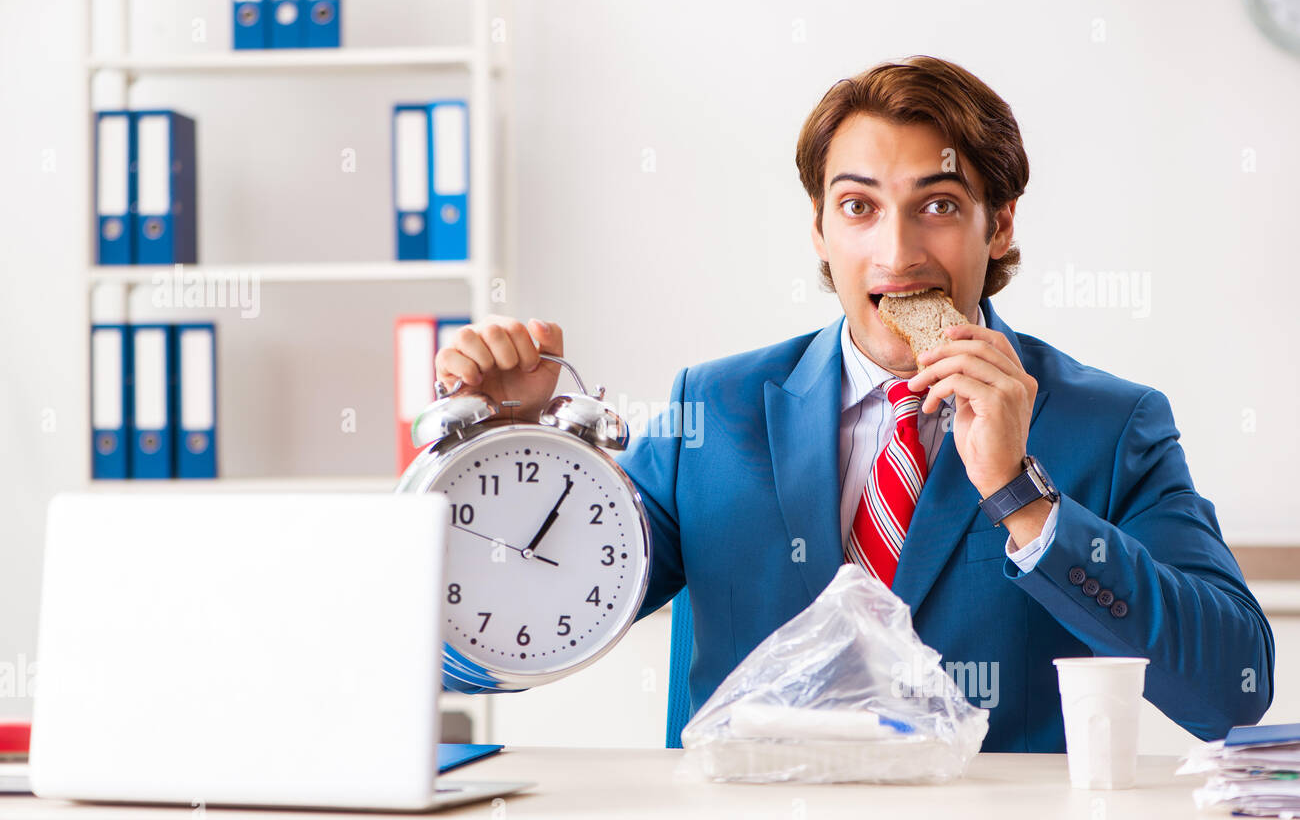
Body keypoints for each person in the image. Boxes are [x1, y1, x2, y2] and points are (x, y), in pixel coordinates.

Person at [433, 55, 1274, 752]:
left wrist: (1023, 500)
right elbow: (489, 646)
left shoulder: (1110, 424)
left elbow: (1231, 688)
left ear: (1001, 224)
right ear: (821, 232)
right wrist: (512, 457)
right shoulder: (712, 411)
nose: (897, 252)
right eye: (859, 206)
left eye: (938, 206)